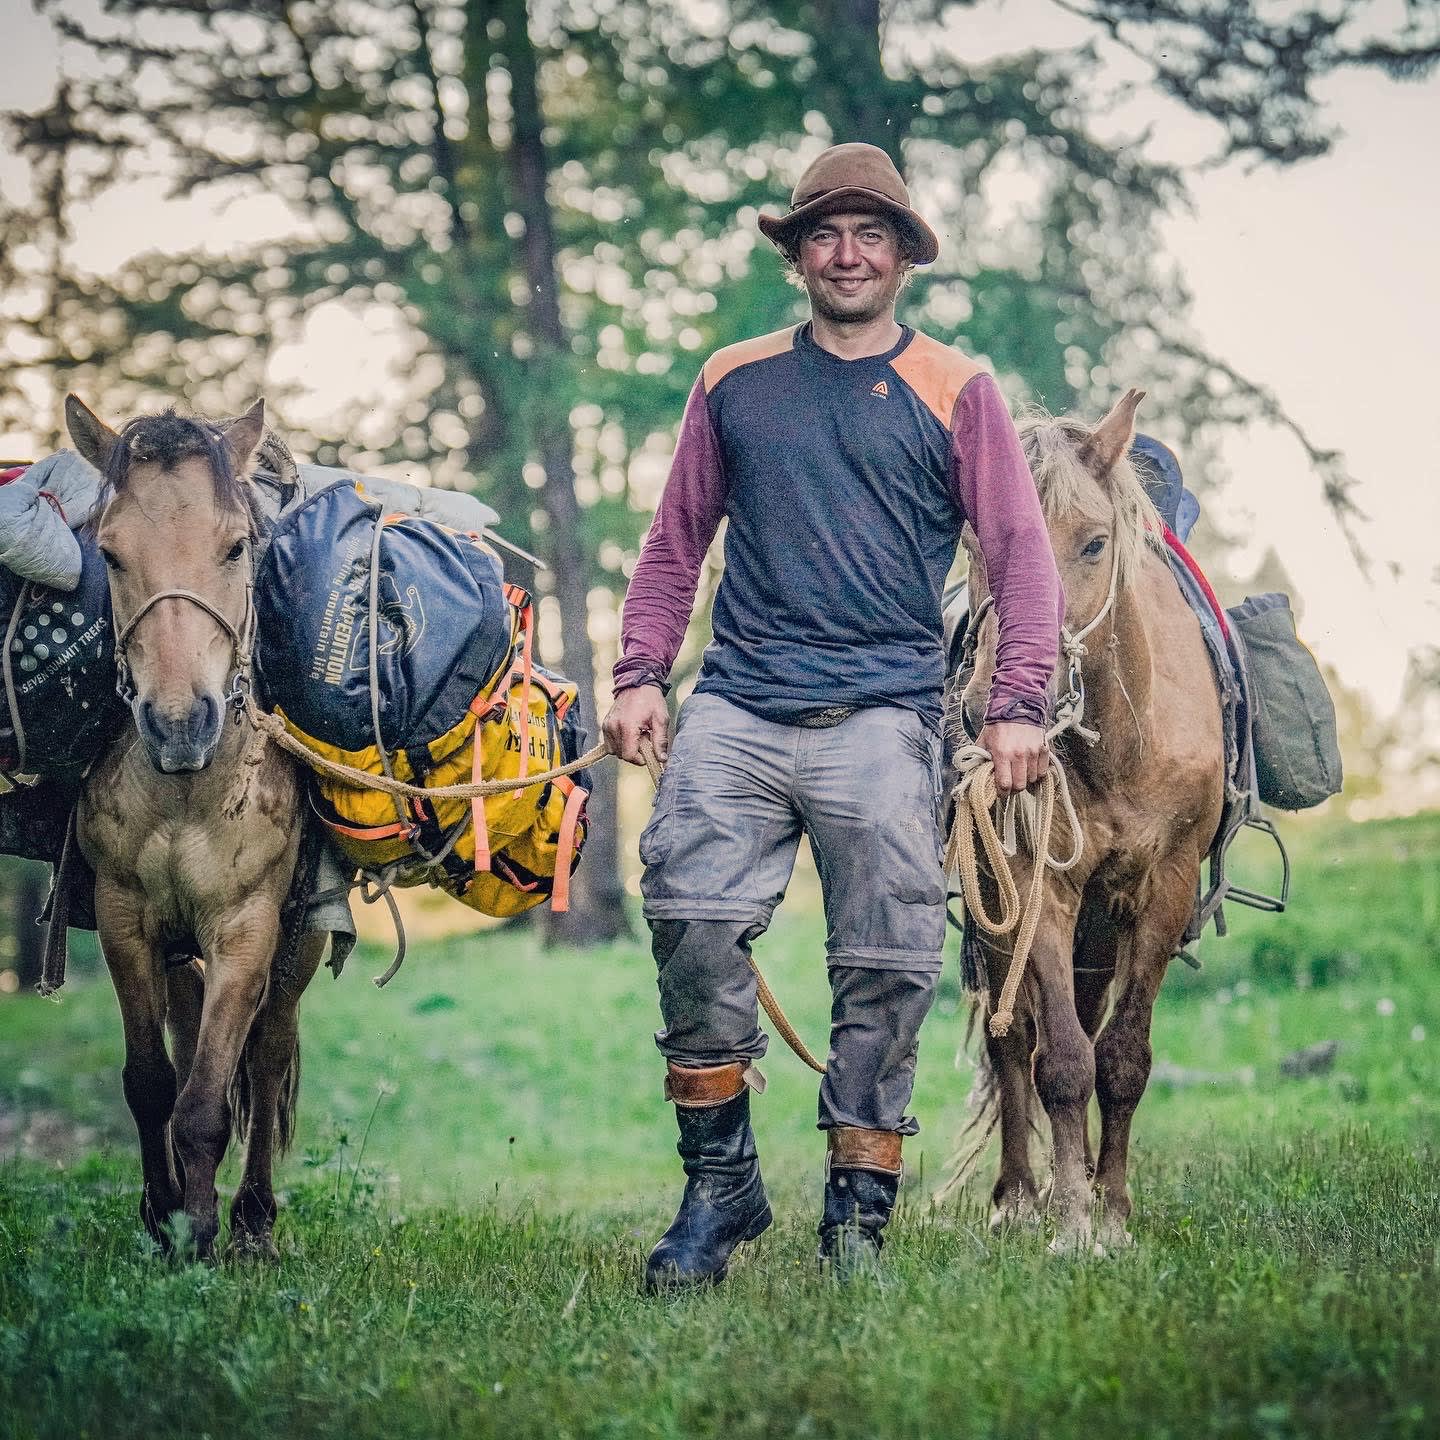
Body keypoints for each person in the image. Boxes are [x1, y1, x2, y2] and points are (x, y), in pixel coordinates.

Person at [602, 142, 1063, 1288]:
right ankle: (720, 1191)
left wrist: (1017, 704)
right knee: (690, 918)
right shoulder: (734, 379)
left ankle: (857, 1214)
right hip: (742, 701)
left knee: (890, 959)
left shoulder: (960, 390)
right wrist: (639, 674)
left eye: (870, 234)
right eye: (825, 233)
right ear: (797, 254)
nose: (846, 253)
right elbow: (674, 545)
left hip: (884, 714)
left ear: (904, 256)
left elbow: (1019, 556)